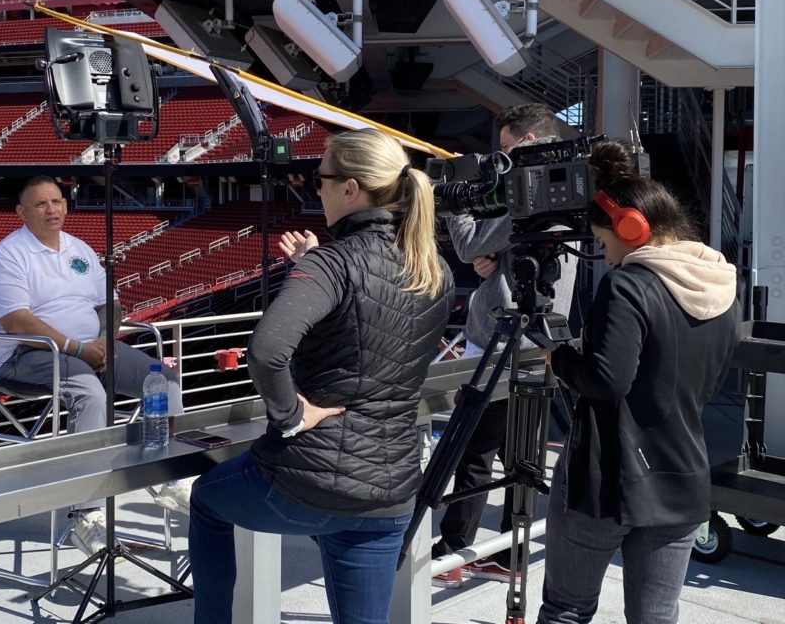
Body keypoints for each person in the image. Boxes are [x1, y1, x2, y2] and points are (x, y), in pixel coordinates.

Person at [187, 128, 455, 624]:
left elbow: (266, 352)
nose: (318, 190)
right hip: (390, 485)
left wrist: (291, 417)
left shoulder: (333, 263)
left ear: (351, 189)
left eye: (321, 180)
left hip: (308, 480)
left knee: (206, 500)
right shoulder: (433, 267)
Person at [536, 140, 740, 623]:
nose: (605, 258)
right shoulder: (723, 285)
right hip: (685, 478)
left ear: (632, 228)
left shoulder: (629, 284)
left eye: (605, 243)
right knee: (656, 616)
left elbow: (606, 379)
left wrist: (558, 358)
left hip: (607, 479)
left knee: (566, 609)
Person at [0, 176, 193, 558]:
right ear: (21, 213)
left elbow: (108, 304)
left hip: (91, 348)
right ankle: (85, 511)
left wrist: (106, 341)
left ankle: (165, 475)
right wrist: (77, 348)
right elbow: (17, 323)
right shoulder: (7, 256)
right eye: (41, 204)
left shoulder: (79, 249)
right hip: (28, 356)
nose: (52, 210)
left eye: (58, 202)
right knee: (90, 393)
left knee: (164, 380)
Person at [432, 103, 578, 586]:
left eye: (508, 150)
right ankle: (509, 553)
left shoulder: (530, 195)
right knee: (523, 456)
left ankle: (455, 551)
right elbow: (491, 254)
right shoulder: (565, 192)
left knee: (475, 452)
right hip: (540, 342)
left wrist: (458, 197)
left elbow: (471, 245)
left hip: (503, 343)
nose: (502, 161)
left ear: (531, 143)